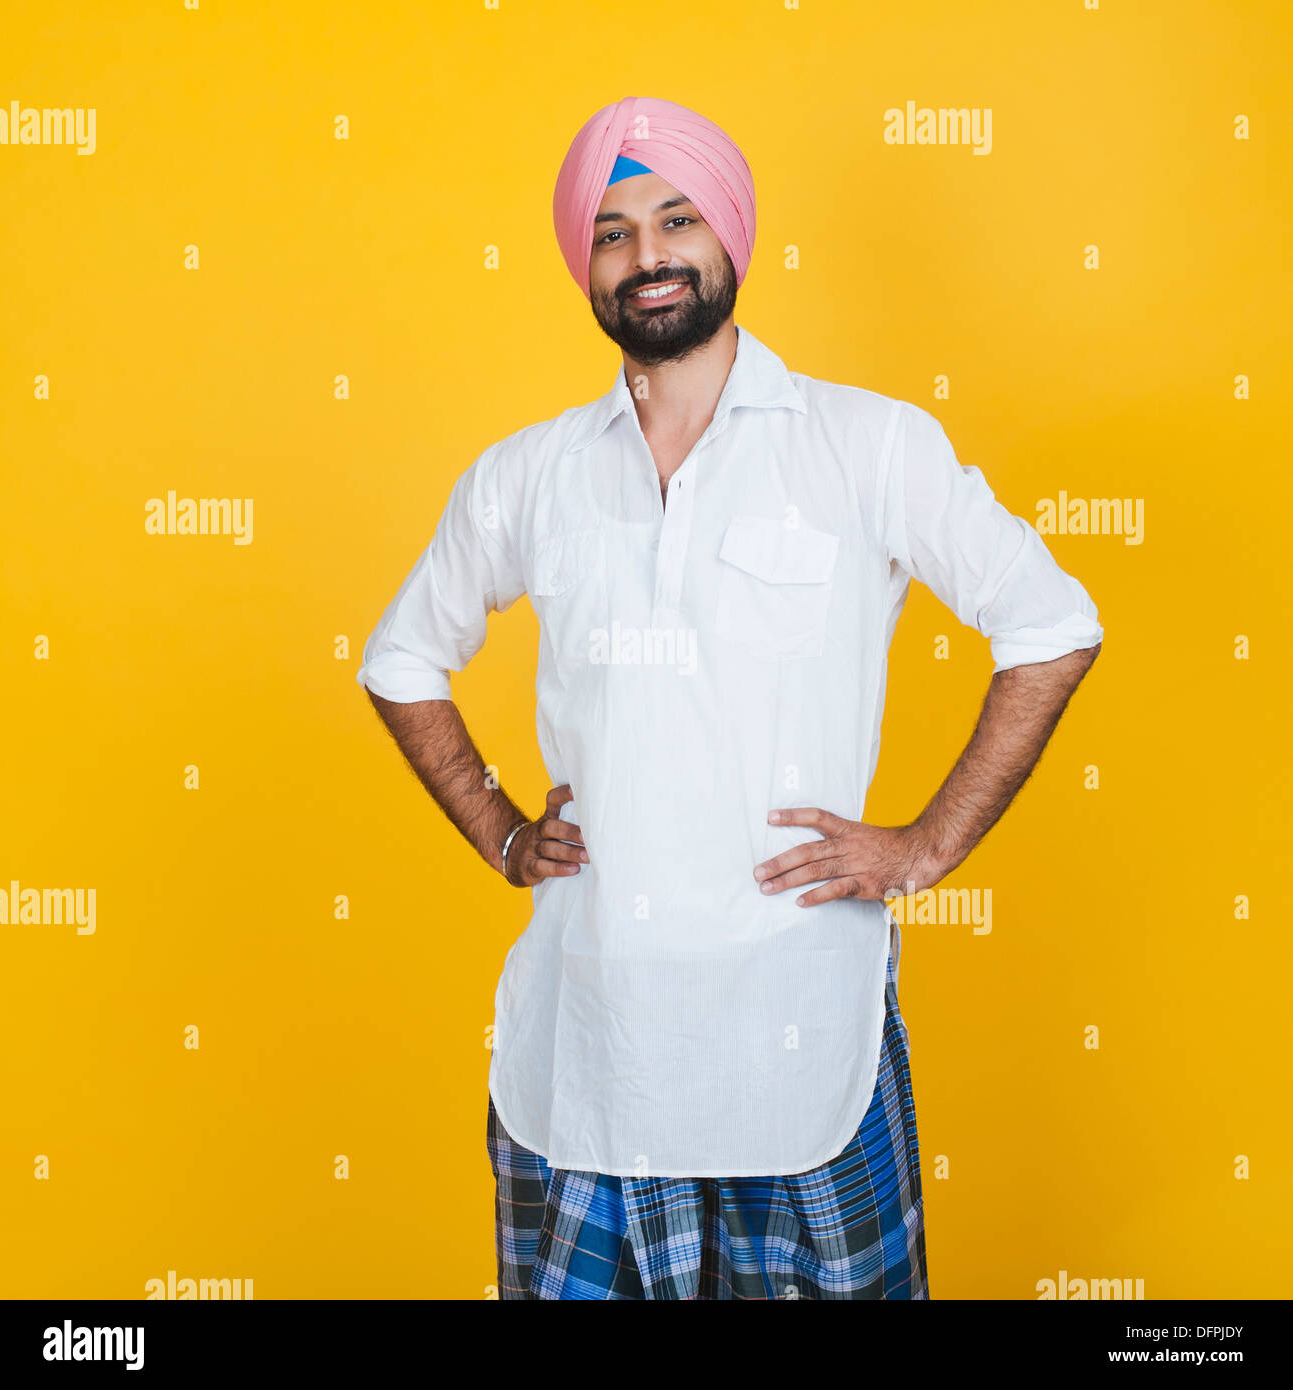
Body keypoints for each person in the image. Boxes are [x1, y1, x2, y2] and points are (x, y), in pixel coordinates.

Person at [356, 95, 1103, 1300]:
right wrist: (499, 828)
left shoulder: (866, 447)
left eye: (676, 218)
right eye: (611, 231)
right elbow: (401, 656)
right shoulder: (531, 474)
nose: (647, 255)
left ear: (731, 237)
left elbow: (1053, 623)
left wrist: (926, 843)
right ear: (583, 266)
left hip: (800, 1051)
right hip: (588, 1054)